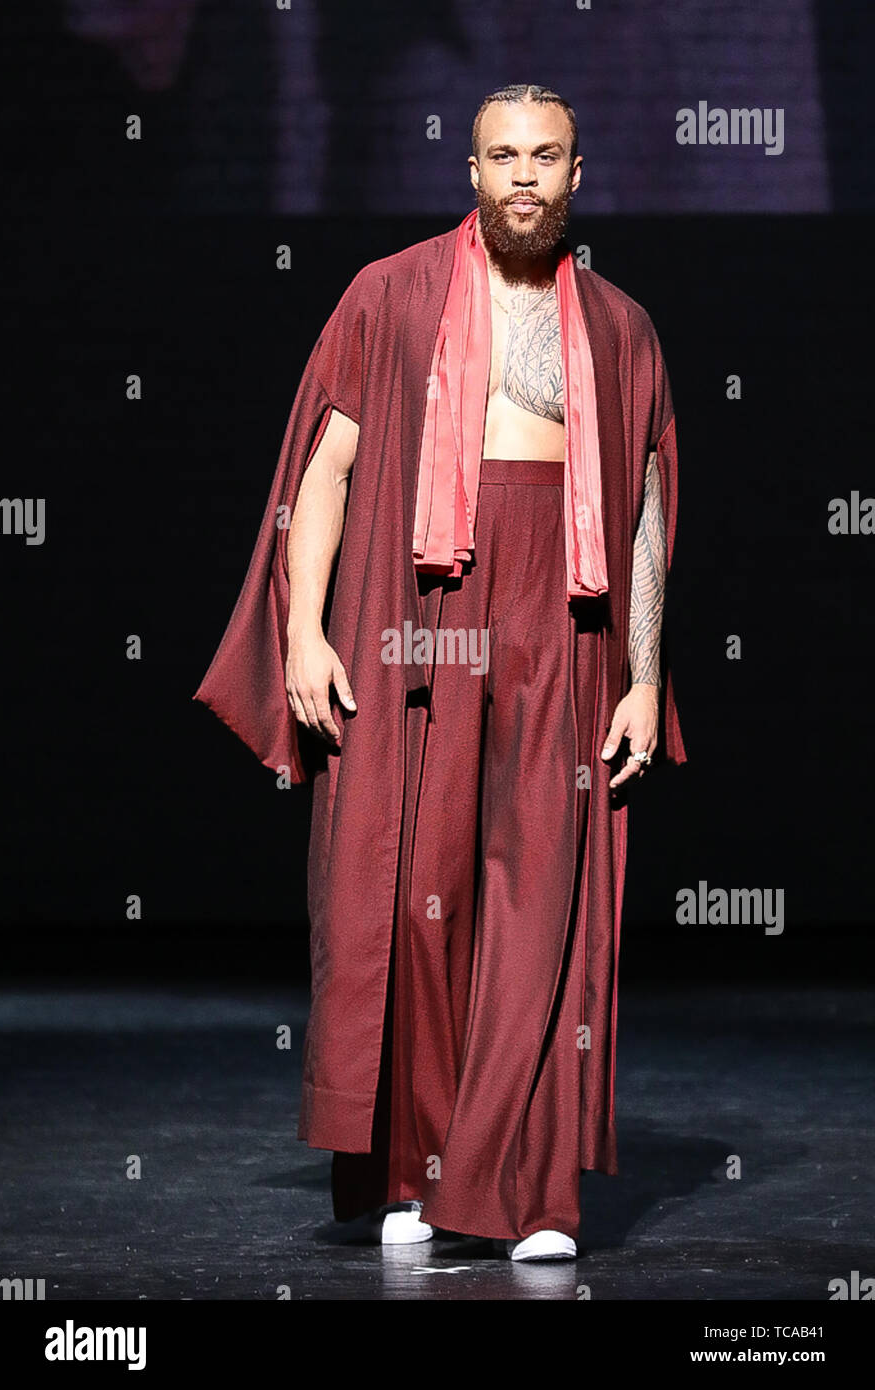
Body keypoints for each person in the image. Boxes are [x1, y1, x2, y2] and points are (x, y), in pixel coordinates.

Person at [194, 83, 687, 1262]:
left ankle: (529, 1194)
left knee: (543, 904)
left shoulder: (619, 326)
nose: (523, 175)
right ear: (468, 171)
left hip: (565, 621)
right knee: (413, 889)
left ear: (576, 174)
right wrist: (303, 630)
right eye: (501, 155)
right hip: (421, 611)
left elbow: (646, 508)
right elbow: (326, 464)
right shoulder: (393, 294)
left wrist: (646, 672)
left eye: (546, 157)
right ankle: (416, 1174)